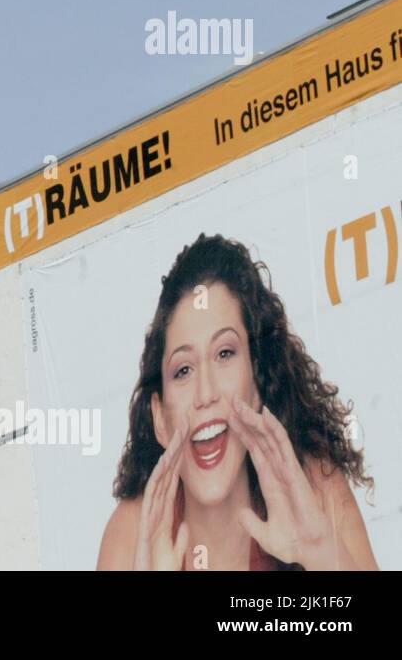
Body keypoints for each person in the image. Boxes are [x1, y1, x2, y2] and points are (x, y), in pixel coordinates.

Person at [96, 234, 376, 570]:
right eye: (183, 370)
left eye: (225, 353)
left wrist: (321, 553)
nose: (205, 393)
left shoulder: (314, 489)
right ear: (159, 418)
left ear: (258, 382)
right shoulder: (131, 534)